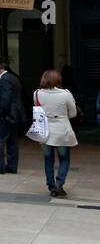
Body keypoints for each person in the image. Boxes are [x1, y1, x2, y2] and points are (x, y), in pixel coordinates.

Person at [35, 69, 78, 197]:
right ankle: (59, 183)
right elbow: (73, 113)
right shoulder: (66, 94)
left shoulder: (37, 93)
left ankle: (51, 187)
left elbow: (38, 111)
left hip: (44, 130)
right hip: (61, 130)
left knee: (48, 159)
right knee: (64, 159)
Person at [0, 61, 26, 175]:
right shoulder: (13, 77)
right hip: (14, 116)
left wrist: (0, 112)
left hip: (6, 116)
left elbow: (5, 99)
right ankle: (12, 167)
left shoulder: (4, 80)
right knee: (12, 141)